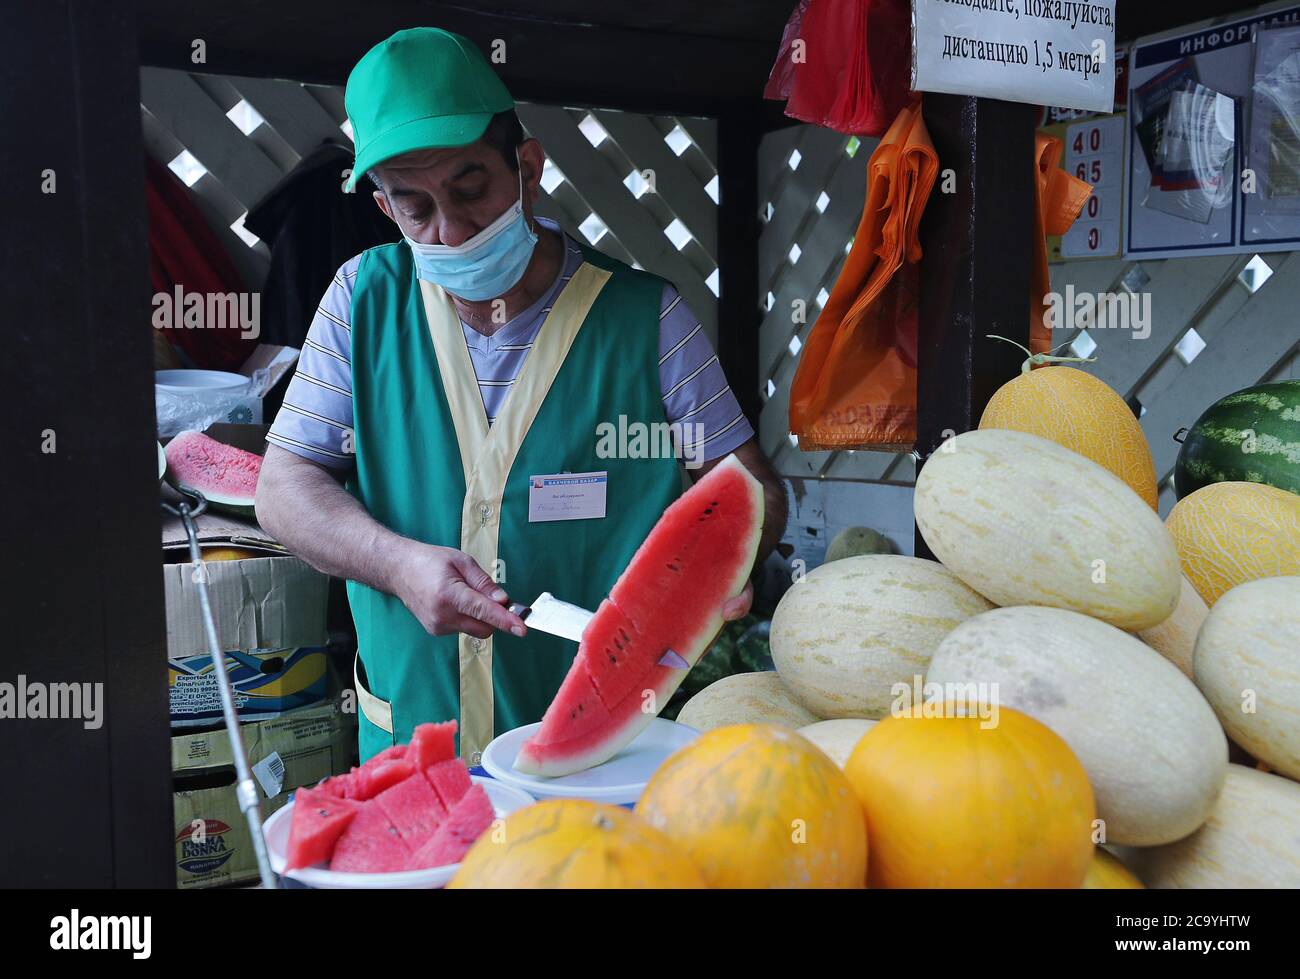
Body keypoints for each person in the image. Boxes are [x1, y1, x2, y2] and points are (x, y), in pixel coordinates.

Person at [255, 27, 787, 765]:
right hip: (411, 752)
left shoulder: (647, 319)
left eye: (471, 189)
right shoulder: (361, 300)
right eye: (416, 208)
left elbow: (748, 486)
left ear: (527, 167)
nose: (452, 229)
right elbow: (281, 488)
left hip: (602, 767)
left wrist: (733, 565)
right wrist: (396, 562)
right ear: (385, 209)